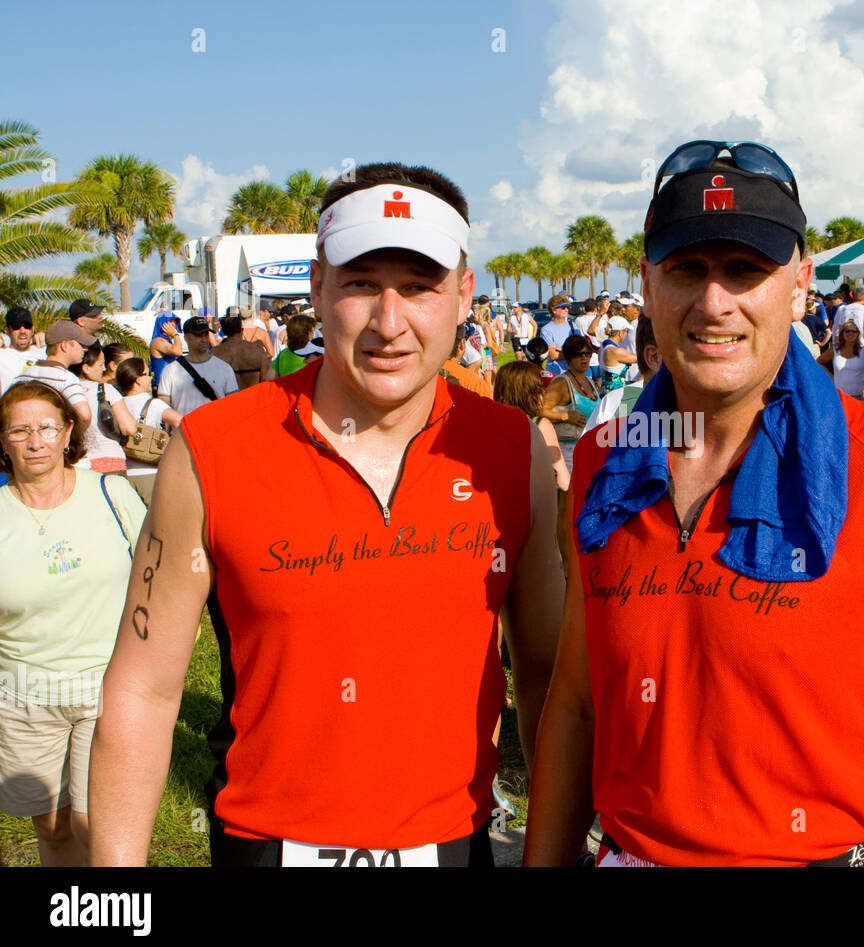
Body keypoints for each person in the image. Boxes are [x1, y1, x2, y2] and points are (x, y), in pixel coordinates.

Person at [524, 140, 864, 867]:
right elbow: (576, 703)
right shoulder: (610, 458)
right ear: (647, 284)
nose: (713, 301)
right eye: (686, 270)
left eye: (745, 270)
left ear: (799, 285)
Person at [90, 161, 563, 868]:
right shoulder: (213, 448)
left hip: (454, 846)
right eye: (362, 284)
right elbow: (143, 689)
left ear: (464, 294)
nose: (389, 322)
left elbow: (548, 676)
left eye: (419, 287)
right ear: (318, 286)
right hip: (267, 844)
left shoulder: (511, 450)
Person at [0, 381, 146, 865]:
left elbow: (156, 578)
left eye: (46, 427)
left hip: (106, 689)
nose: (35, 441)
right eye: (19, 431)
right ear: (3, 442)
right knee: (54, 827)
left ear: (68, 432)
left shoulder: (111, 492)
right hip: (24, 695)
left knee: (95, 825)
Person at [494, 360, 568, 491]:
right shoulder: (539, 425)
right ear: (529, 393)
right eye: (539, 388)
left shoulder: (493, 426)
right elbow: (563, 482)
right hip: (534, 502)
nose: (543, 393)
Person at [71, 342, 137, 476]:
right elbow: (128, 428)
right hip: (110, 459)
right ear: (86, 368)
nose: (103, 369)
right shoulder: (106, 390)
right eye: (100, 365)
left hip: (80, 463)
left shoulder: (68, 391)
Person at [13, 321, 94, 425]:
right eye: (81, 344)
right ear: (64, 346)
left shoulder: (24, 373)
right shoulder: (66, 378)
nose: (85, 349)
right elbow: (84, 415)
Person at [540, 335, 599, 474]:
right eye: (578, 354)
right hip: (568, 455)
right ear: (568, 358)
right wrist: (565, 416)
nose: (584, 358)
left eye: (587, 353)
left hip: (589, 451)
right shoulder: (562, 383)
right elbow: (538, 408)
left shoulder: (589, 381)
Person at [156, 317, 239, 416]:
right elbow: (163, 408)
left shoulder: (224, 368)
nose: (204, 339)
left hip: (216, 429)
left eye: (206, 334)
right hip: (184, 430)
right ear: (186, 338)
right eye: (199, 335)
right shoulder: (170, 371)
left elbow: (234, 406)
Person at [212, 309, 275, 390]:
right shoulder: (257, 350)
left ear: (223, 331)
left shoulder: (215, 353)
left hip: (227, 400)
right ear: (242, 329)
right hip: (253, 398)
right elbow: (267, 379)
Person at [114, 357, 182, 431]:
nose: (151, 377)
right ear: (138, 380)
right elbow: (179, 421)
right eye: (148, 374)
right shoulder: (154, 404)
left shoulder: (117, 404)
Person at [817, 316, 864, 399]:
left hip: (859, 396)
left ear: (858, 333)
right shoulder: (834, 350)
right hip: (839, 396)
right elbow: (818, 362)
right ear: (842, 333)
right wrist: (831, 377)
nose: (850, 333)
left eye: (854, 331)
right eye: (847, 331)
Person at [0, 307, 46, 393]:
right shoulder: (2, 355)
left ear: (32, 329)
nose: (22, 331)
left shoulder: (45, 350)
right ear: (7, 331)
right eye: (16, 327)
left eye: (27, 326)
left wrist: (46, 336)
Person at [596, 317, 636, 393]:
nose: (626, 334)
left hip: (605, 392)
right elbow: (639, 358)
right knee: (625, 405)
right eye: (626, 331)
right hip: (617, 395)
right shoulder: (615, 351)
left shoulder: (602, 347)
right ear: (620, 332)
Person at [148, 310, 185, 385]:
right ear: (162, 323)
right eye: (170, 321)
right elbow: (178, 352)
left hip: (172, 384)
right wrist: (175, 334)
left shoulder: (168, 341)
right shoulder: (158, 341)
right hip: (162, 386)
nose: (173, 324)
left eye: (174, 321)